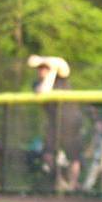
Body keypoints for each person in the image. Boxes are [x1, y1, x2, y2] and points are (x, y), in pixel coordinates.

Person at [32, 55, 83, 193]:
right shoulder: (37, 84)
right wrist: (49, 73)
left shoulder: (61, 79)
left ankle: (72, 186)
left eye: (45, 68)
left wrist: (51, 67)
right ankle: (60, 183)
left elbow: (63, 65)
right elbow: (43, 92)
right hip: (53, 123)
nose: (42, 71)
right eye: (40, 68)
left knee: (73, 156)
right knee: (48, 155)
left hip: (70, 122)